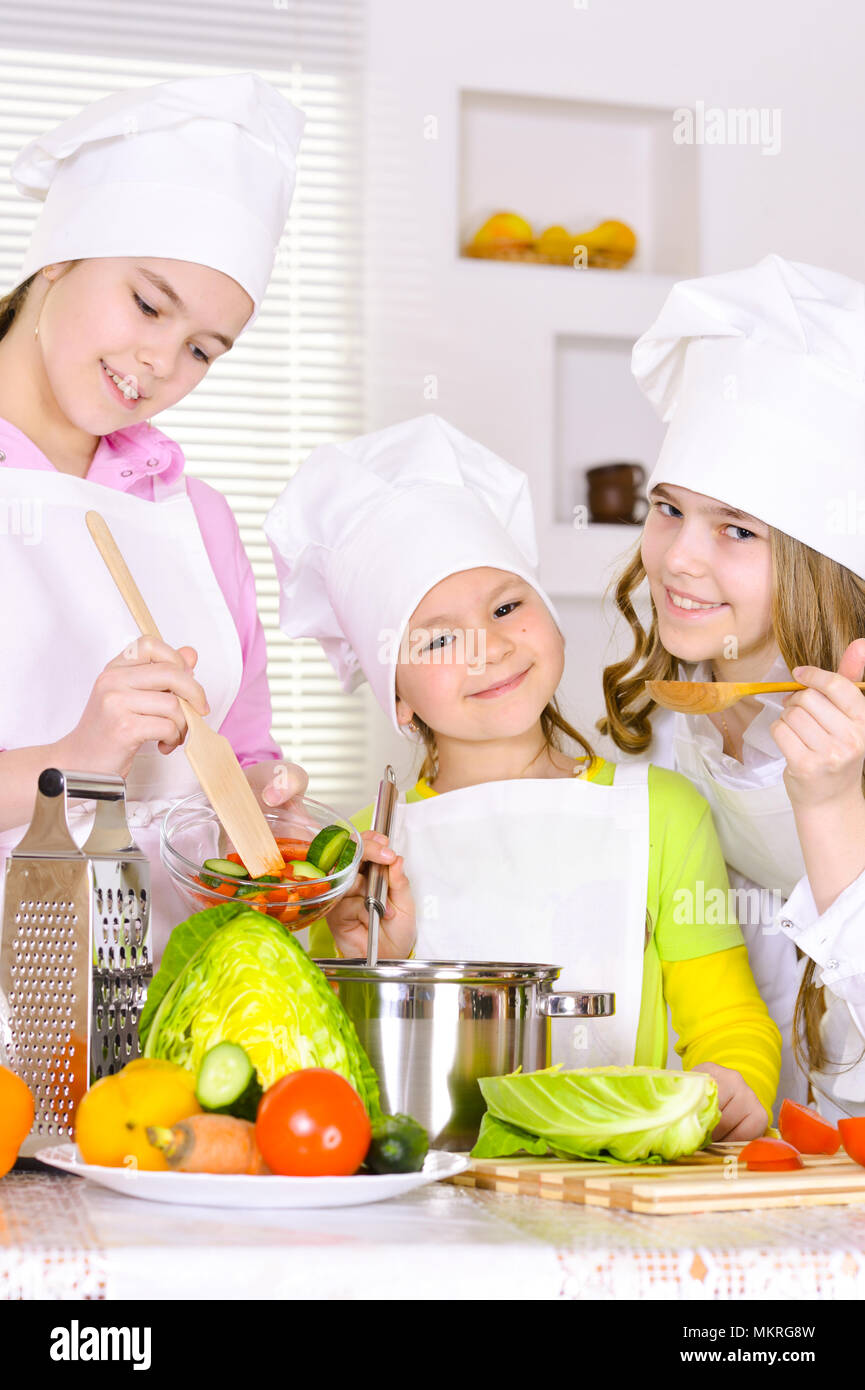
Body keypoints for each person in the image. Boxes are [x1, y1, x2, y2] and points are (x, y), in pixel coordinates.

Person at [264, 414, 781, 1141]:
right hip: (425, 1198)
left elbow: (725, 1019)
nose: (491, 647)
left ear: (550, 619)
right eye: (441, 638)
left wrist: (735, 1083)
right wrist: (377, 955)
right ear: (398, 697)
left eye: (508, 607)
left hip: (608, 1189)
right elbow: (321, 1058)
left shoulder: (661, 812)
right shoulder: (361, 854)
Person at [0, 73, 309, 963]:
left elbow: (241, 759)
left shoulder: (195, 520)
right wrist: (78, 757)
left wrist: (270, 819)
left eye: (203, 349)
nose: (160, 362)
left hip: (161, 1027)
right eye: (147, 303)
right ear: (59, 251)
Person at [601, 253, 865, 1120]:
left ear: (817, 563)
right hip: (731, 1139)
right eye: (668, 507)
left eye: (737, 530)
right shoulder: (665, 713)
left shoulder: (845, 734)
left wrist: (827, 802)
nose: (679, 557)